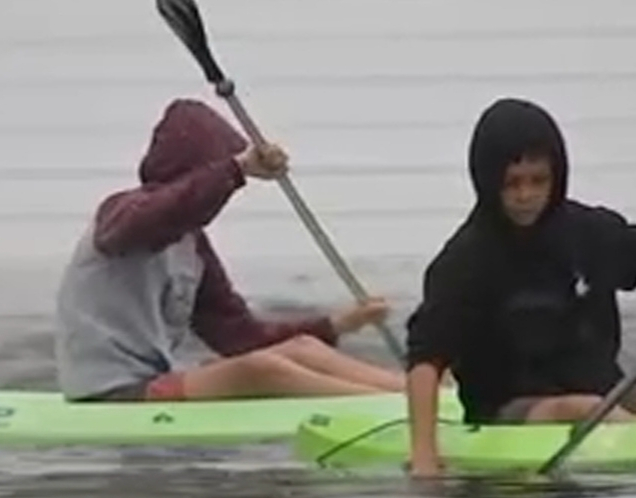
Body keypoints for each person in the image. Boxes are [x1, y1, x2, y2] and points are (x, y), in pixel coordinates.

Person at [403, 97, 636, 479]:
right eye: (512, 184)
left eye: (539, 181)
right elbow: (425, 361)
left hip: (610, 393)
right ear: (487, 182)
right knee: (583, 409)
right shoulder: (465, 260)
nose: (526, 195)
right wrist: (424, 458)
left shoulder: (587, 230)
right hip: (514, 414)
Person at [54, 99, 407, 402]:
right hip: (109, 390)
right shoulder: (122, 214)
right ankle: (399, 411)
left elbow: (239, 336)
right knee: (261, 369)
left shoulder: (192, 247)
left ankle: (421, 393)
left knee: (302, 348)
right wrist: (236, 168)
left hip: (158, 378)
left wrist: (338, 323)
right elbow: (167, 211)